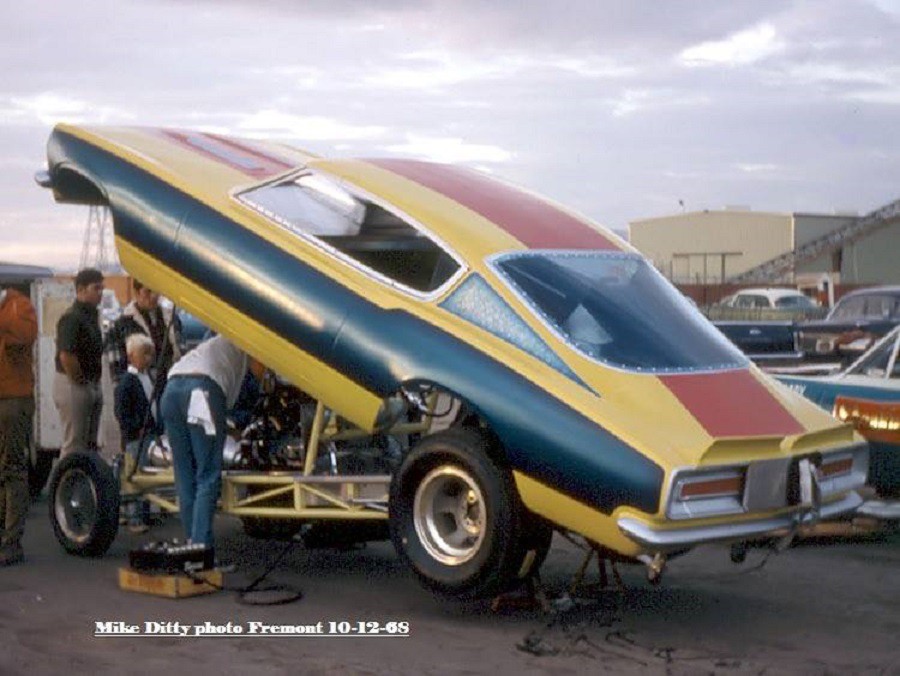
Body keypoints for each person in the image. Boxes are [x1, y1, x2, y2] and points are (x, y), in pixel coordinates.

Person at [160, 335, 265, 551]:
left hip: (171, 389)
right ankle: (201, 549)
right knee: (207, 475)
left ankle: (191, 546)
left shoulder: (216, 342)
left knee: (184, 473)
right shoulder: (249, 345)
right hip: (202, 391)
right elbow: (257, 372)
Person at [0, 283, 38, 566]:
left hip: (14, 400)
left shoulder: (19, 306)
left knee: (13, 468)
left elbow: (24, 336)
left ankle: (11, 542)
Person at [53, 268, 104, 457]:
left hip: (89, 381)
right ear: (81, 289)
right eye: (96, 288)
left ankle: (84, 482)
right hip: (73, 382)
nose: (100, 293)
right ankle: (65, 484)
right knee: (74, 443)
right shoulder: (72, 318)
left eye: (101, 289)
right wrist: (81, 381)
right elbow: (66, 355)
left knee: (89, 443)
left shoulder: (91, 316)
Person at [114, 333, 160, 533]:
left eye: (150, 355)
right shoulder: (127, 381)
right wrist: (134, 427)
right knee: (134, 477)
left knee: (147, 476)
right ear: (131, 356)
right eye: (144, 354)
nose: (148, 359)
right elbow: (121, 412)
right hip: (135, 437)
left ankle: (145, 513)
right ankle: (134, 517)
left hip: (149, 434)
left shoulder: (147, 377)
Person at [105, 279, 181, 387]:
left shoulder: (171, 319)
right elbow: (116, 369)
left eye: (156, 291)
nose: (154, 296)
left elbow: (180, 350)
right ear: (136, 292)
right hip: (139, 388)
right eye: (148, 291)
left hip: (170, 383)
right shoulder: (122, 324)